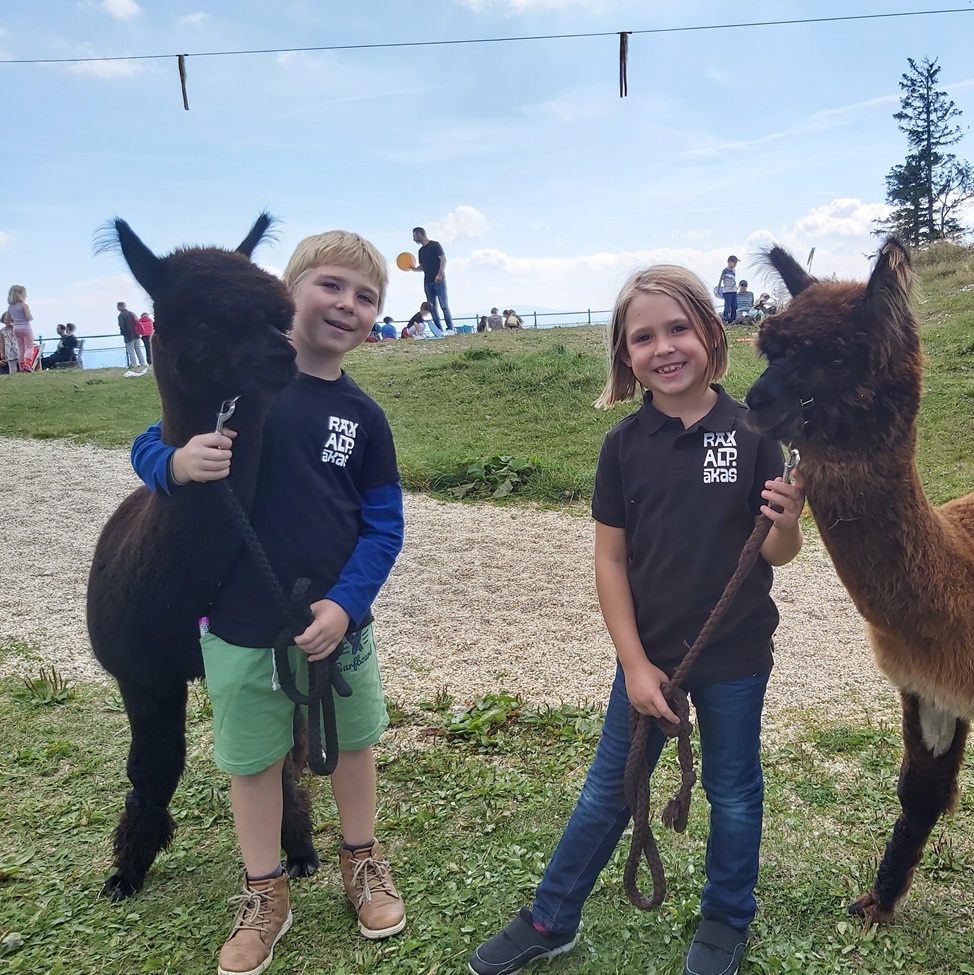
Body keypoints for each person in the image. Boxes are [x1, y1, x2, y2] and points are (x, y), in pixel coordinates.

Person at [468, 264, 805, 975]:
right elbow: (611, 562)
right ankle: (550, 915)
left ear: (712, 334)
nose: (664, 347)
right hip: (646, 662)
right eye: (643, 336)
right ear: (626, 357)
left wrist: (789, 519)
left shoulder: (752, 431)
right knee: (608, 790)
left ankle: (725, 919)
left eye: (678, 327)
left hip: (737, 659)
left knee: (734, 792)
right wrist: (632, 662)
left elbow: (776, 550)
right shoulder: (621, 447)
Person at [129, 230, 407, 975]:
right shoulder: (238, 389)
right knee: (252, 760)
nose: (347, 305)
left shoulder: (363, 416)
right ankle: (262, 890)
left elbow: (384, 524)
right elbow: (145, 445)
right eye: (331, 286)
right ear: (289, 291)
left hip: (336, 624)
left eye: (367, 295)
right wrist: (176, 463)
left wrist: (348, 604)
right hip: (241, 620)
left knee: (353, 745)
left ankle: (362, 860)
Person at [410, 227, 452, 333]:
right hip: (427, 282)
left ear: (419, 234)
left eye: (414, 235)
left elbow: (443, 259)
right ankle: (439, 330)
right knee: (431, 308)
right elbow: (422, 267)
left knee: (444, 305)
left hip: (439, 280)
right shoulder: (421, 251)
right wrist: (414, 269)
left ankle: (450, 328)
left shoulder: (435, 245)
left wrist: (440, 274)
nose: (414, 238)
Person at [6, 285, 35, 373]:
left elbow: (7, 319)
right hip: (26, 328)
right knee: (29, 347)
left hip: (16, 329)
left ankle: (22, 366)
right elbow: (29, 317)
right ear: (20, 295)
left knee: (21, 348)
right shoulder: (24, 306)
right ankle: (27, 364)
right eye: (25, 294)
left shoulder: (10, 307)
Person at [117, 301, 148, 376]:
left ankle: (134, 364)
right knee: (138, 349)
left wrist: (123, 333)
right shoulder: (131, 313)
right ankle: (143, 363)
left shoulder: (121, 315)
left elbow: (122, 326)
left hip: (128, 336)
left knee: (131, 351)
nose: (117, 308)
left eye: (118, 306)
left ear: (121, 307)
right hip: (136, 334)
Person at [715, 256, 739, 324]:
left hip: (734, 290)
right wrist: (718, 290)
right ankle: (725, 319)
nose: (735, 265)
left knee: (734, 306)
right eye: (734, 263)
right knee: (727, 306)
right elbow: (720, 280)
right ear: (729, 262)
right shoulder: (725, 271)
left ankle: (733, 320)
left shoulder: (733, 271)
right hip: (727, 291)